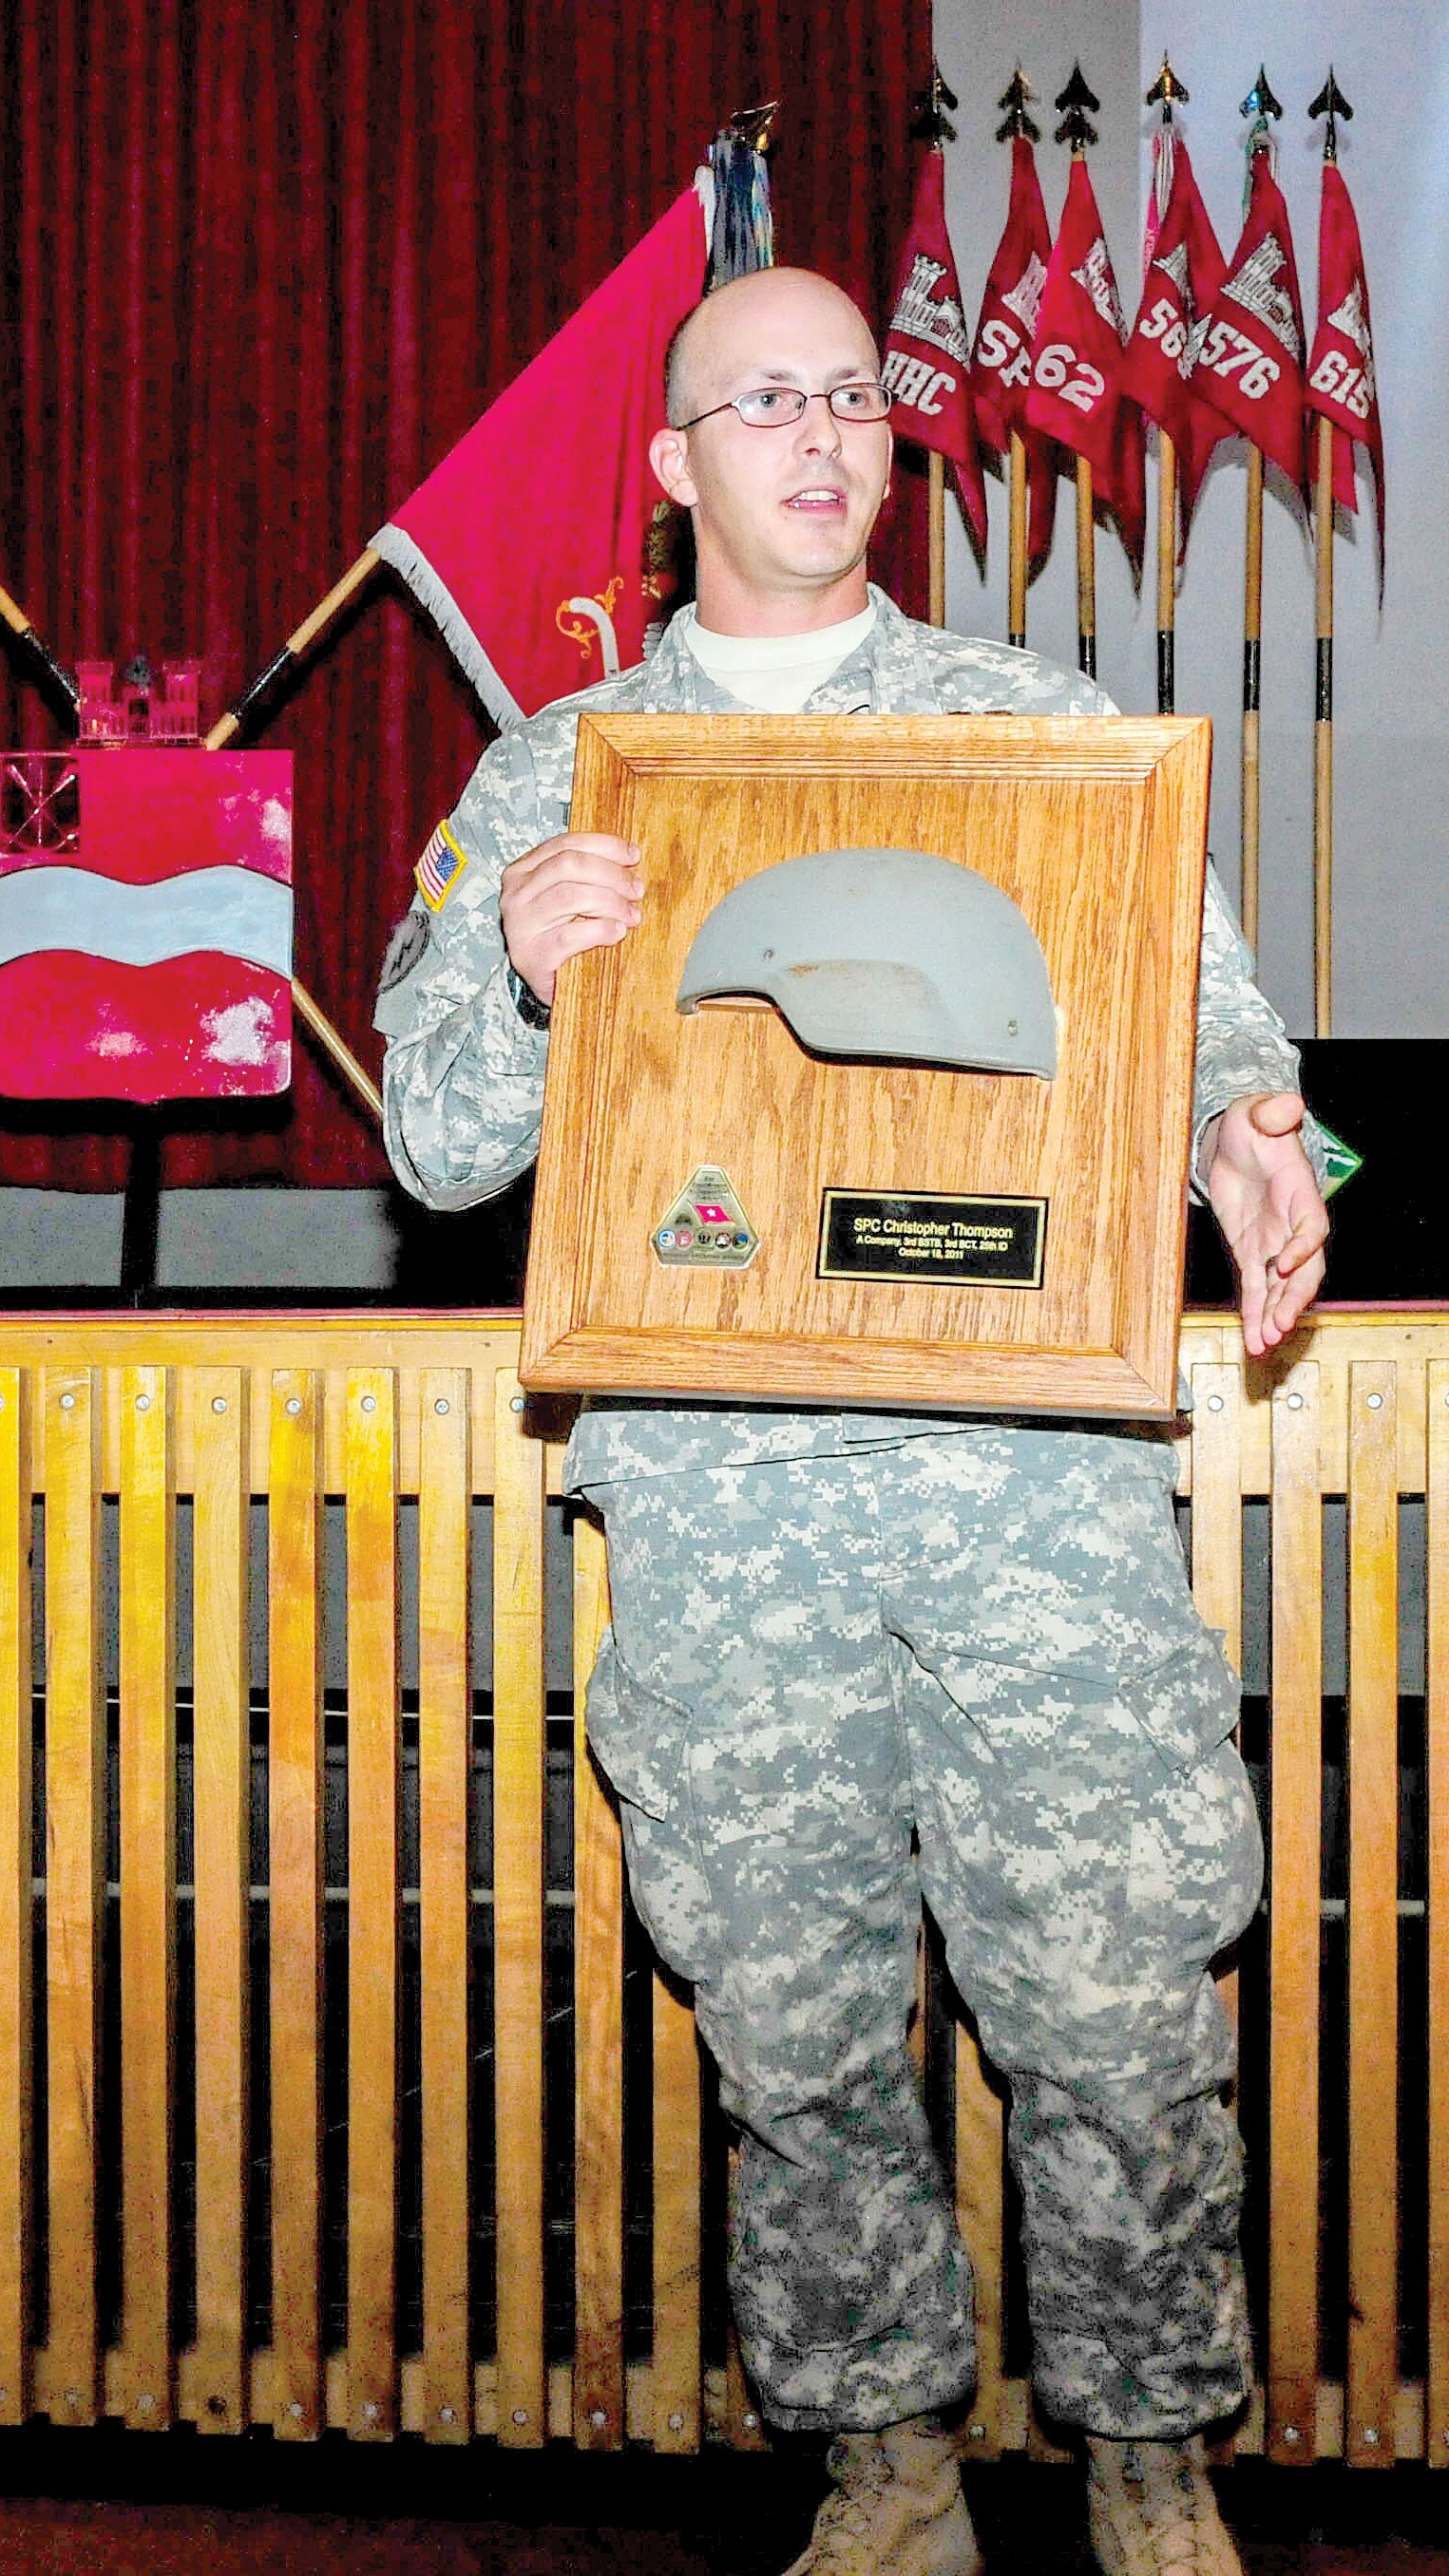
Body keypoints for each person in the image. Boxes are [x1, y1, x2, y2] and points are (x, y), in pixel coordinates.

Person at [377, 266, 1331, 2576]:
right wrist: (513, 968)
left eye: (849, 396)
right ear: (670, 464)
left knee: (1116, 1999)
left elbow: (1215, 1041)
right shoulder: (558, 771)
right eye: (759, 402)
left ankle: (1145, 2451)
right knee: (790, 2016)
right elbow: (431, 1144)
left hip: (1033, 1503)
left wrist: (1265, 1140)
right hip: (722, 1518)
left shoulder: (1036, 733)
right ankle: (883, 2456)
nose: (817, 435)